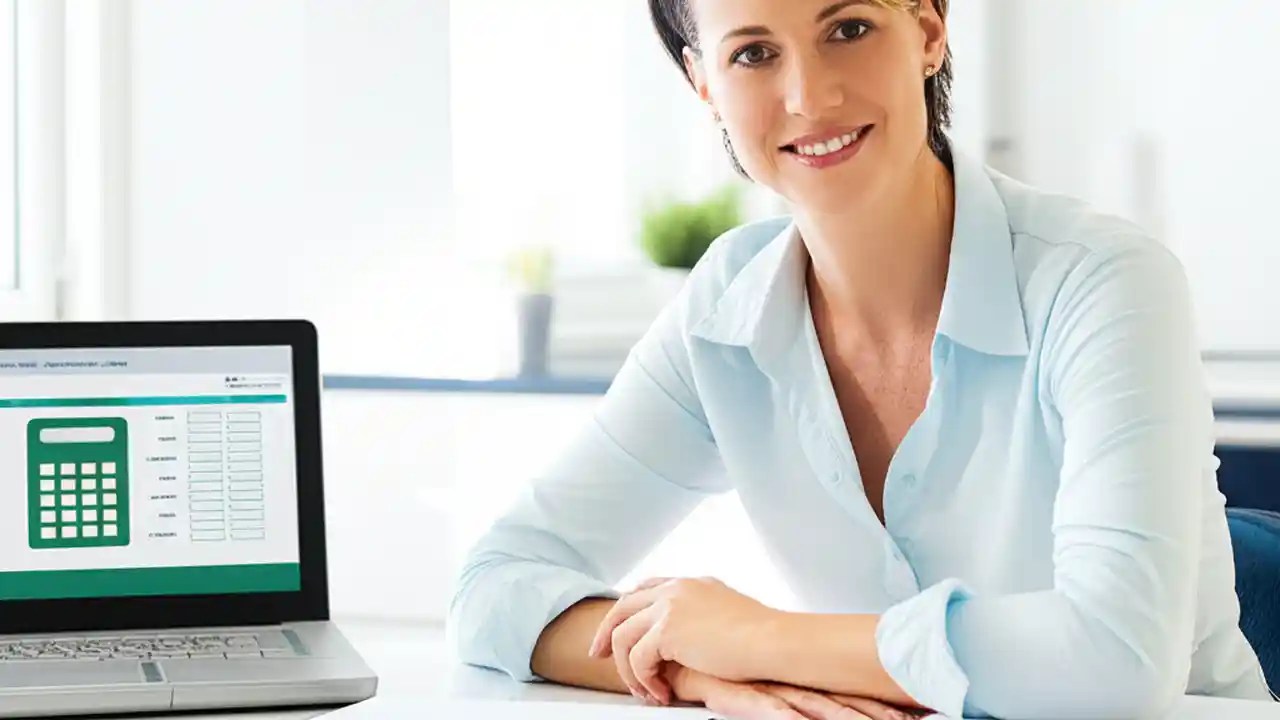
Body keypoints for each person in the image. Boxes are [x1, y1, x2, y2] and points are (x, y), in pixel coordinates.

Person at [447, 1, 1275, 718]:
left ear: (927, 30)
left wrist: (761, 635)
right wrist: (701, 668)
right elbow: (493, 587)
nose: (809, 95)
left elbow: (1116, 661)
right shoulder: (726, 310)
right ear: (704, 83)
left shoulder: (1101, 283)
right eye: (753, 53)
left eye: (847, 28)